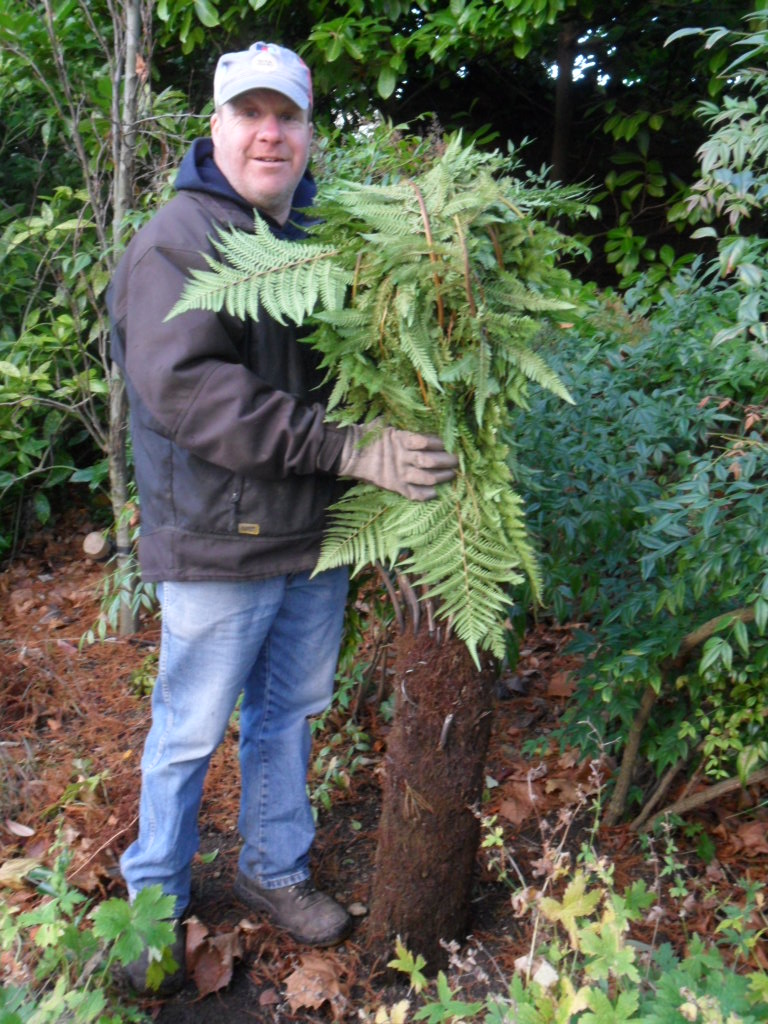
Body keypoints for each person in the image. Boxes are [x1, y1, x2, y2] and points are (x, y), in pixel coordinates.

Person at [107, 41, 458, 995]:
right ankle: (153, 905)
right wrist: (351, 449)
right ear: (215, 126)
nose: (270, 133)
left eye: (288, 116)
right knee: (188, 730)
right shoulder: (177, 240)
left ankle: (272, 869)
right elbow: (191, 396)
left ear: (307, 133)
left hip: (314, 537)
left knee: (289, 717)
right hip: (220, 543)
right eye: (250, 113)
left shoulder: (323, 235)